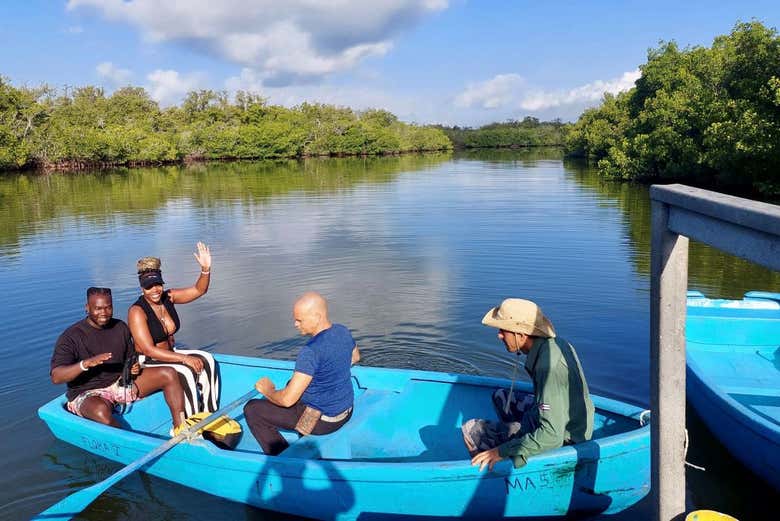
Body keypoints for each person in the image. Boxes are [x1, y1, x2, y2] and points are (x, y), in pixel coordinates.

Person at [462, 298, 594, 472]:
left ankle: (492, 471)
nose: (499, 335)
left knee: (470, 429)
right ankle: (515, 438)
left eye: (503, 330)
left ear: (521, 335)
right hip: (569, 420)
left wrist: (501, 451)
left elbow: (552, 436)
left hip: (565, 438)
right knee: (501, 397)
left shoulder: (547, 367)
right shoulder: (558, 344)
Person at [50, 287, 186, 431]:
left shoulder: (120, 327)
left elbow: (130, 359)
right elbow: (56, 377)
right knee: (101, 412)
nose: (104, 313)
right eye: (98, 308)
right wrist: (85, 364)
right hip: (88, 392)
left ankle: (180, 429)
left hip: (120, 383)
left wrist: (132, 368)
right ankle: (130, 440)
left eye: (108, 307)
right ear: (87, 308)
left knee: (168, 374)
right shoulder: (71, 336)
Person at [244, 292, 361, 456]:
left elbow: (287, 401)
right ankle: (303, 434)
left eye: (300, 320)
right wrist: (331, 370)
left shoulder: (310, 351)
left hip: (324, 423)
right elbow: (355, 357)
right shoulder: (342, 331)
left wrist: (267, 390)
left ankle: (284, 459)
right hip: (346, 411)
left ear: (317, 317)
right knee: (291, 384)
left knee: (252, 409)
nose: (295, 324)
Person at [128, 242, 220, 417]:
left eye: (158, 284)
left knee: (208, 359)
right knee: (185, 372)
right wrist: (185, 358)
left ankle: (210, 414)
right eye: (149, 287)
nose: (155, 290)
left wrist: (205, 269)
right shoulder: (137, 311)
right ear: (142, 288)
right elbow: (148, 350)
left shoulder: (168, 297)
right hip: (147, 360)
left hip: (171, 354)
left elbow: (199, 290)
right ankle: (192, 422)